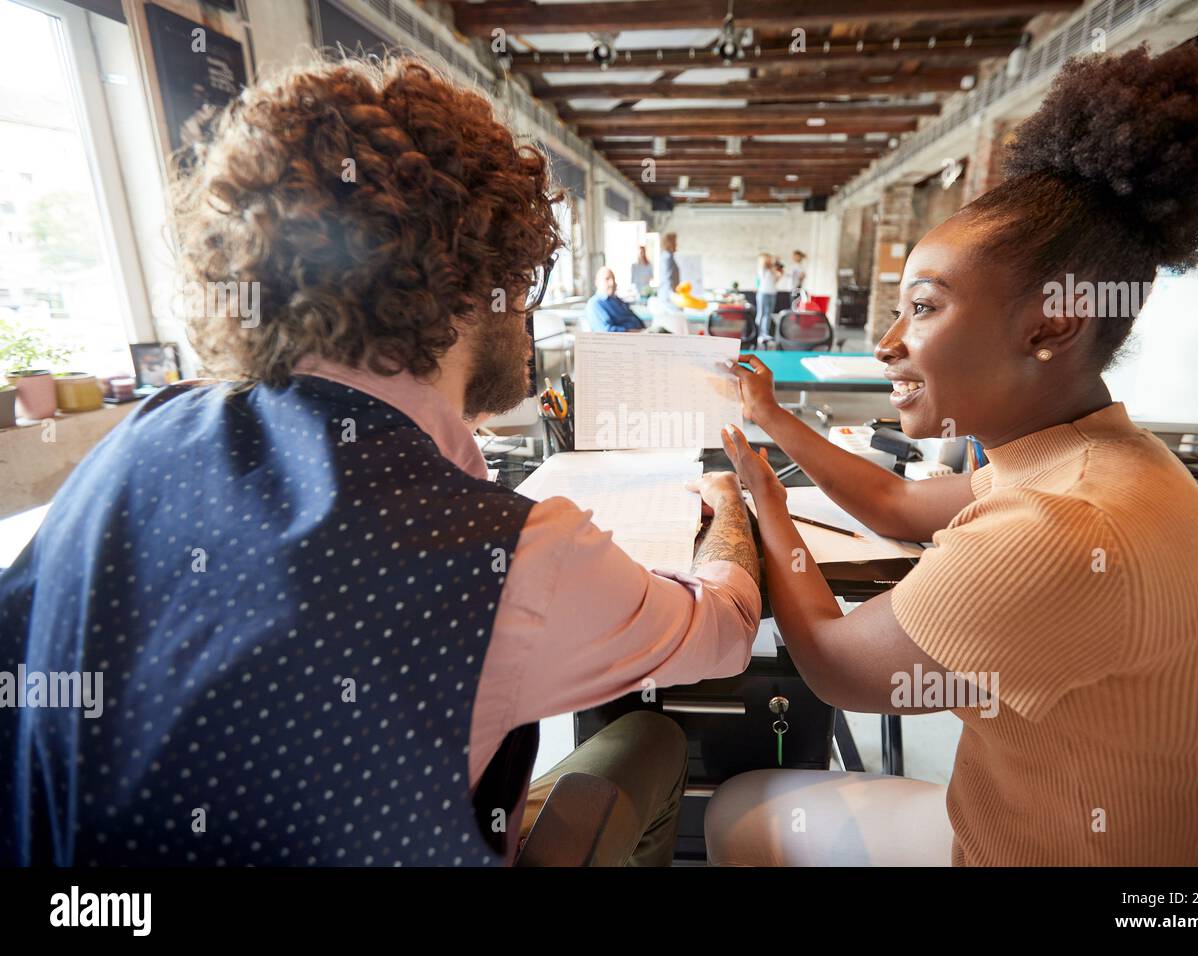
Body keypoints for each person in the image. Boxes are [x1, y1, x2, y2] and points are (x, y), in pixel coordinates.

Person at [0, 55, 761, 868]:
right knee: (644, 740)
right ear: (477, 285)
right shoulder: (512, 557)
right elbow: (727, 632)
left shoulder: (137, 438)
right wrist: (728, 510)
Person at [706, 45, 1198, 866]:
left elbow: (834, 668)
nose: (889, 344)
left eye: (925, 308)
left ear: (1051, 326)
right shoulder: (1103, 457)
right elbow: (901, 507)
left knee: (736, 811)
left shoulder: (1059, 524)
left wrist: (763, 507)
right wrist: (772, 422)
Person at [586, 266, 645, 332]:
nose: (612, 283)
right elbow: (606, 332)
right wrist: (637, 332)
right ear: (597, 282)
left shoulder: (618, 300)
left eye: (613, 279)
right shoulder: (595, 304)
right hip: (625, 339)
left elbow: (634, 318)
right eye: (607, 279)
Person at [755, 253, 782, 343]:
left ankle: (765, 334)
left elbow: (777, 279)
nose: (769, 260)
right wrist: (774, 262)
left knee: (768, 315)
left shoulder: (772, 271)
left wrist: (779, 268)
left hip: (772, 294)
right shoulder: (762, 269)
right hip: (763, 294)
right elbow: (764, 264)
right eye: (768, 259)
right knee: (761, 314)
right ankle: (758, 334)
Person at [657, 233, 680, 304]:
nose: (676, 244)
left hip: (668, 294)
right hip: (668, 296)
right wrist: (674, 294)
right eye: (675, 242)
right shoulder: (667, 257)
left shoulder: (667, 256)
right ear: (670, 244)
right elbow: (668, 278)